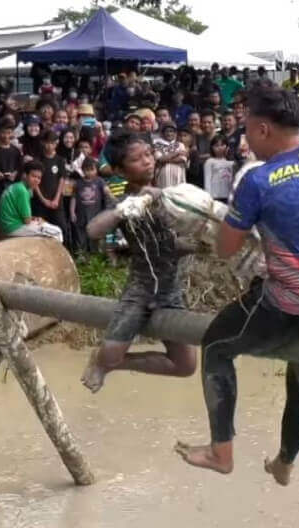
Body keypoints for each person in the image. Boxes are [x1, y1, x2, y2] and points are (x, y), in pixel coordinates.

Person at [174, 84, 299, 480]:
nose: (243, 138)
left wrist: (227, 218)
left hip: (293, 308)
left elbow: (226, 249)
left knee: (217, 346)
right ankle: (285, 462)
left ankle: (220, 453)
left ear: (261, 130)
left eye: (245, 129)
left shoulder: (257, 181)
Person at [79, 129, 197, 394]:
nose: (147, 161)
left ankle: (112, 365)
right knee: (110, 354)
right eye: (137, 159)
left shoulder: (167, 197)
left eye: (148, 154)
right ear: (120, 170)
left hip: (171, 291)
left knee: (186, 366)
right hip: (140, 291)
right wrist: (125, 209)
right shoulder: (124, 202)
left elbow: (171, 245)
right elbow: (93, 231)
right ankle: (104, 361)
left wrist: (197, 245)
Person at [0, 161, 63, 241]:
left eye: (39, 178)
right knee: (57, 231)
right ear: (25, 175)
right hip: (13, 227)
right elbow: (27, 221)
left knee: (43, 224)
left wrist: (35, 218)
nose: (36, 180)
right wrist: (37, 220)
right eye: (33, 176)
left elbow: (25, 217)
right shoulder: (22, 191)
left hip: (8, 225)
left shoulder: (18, 186)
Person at [70, 158, 114, 253]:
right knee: (81, 235)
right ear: (82, 170)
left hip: (95, 214)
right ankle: (82, 255)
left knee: (95, 235)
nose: (89, 172)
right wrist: (72, 212)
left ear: (96, 170)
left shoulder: (99, 181)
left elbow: (106, 190)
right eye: (87, 170)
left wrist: (113, 198)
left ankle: (95, 255)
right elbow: (73, 198)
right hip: (81, 214)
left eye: (92, 169)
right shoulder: (78, 183)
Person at [32, 129, 68, 240]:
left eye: (52, 143)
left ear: (56, 143)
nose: (49, 146)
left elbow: (62, 180)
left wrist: (56, 199)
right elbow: (34, 182)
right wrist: (43, 200)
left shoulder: (60, 160)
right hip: (40, 202)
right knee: (41, 229)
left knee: (62, 227)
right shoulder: (38, 159)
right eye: (47, 143)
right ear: (43, 143)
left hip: (56, 202)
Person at [153, 122, 188, 189]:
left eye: (171, 131)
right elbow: (160, 159)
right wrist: (177, 153)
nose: (169, 134)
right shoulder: (157, 144)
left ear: (175, 133)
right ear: (163, 133)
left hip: (178, 176)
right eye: (167, 131)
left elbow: (182, 159)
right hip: (162, 177)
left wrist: (166, 159)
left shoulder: (180, 144)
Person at [203, 134, 233, 202]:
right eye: (216, 145)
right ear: (212, 147)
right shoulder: (209, 162)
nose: (220, 148)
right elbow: (207, 180)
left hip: (227, 195)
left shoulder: (230, 163)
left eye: (222, 145)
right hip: (214, 196)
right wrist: (208, 197)